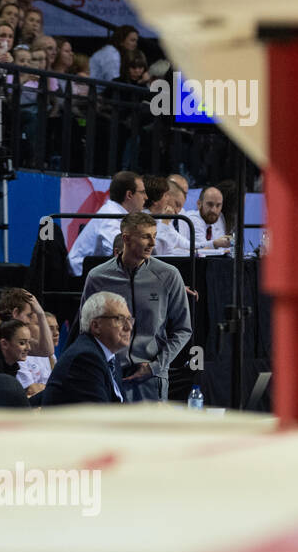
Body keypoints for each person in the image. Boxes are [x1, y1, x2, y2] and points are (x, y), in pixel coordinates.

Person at [77, 211, 192, 401]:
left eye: (154, 236)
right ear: (126, 239)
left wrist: (155, 366)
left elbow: (183, 329)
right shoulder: (98, 277)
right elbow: (86, 329)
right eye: (146, 237)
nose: (153, 244)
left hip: (151, 378)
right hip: (109, 377)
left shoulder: (169, 275)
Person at [40, 291, 130, 406]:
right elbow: (101, 416)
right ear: (96, 326)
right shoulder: (85, 358)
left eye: (129, 319)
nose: (129, 327)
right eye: (119, 319)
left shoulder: (110, 356)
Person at [67, 170, 146, 276]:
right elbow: (119, 251)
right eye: (142, 192)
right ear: (129, 195)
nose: (146, 197)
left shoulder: (115, 213)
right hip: (81, 277)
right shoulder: (110, 217)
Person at [0, 287, 56, 358]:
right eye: (28, 315)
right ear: (15, 313)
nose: (29, 322)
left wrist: (41, 314)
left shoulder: (13, 334)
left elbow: (47, 351)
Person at [16, 310, 58, 394]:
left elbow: (58, 386)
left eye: (57, 328)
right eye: (39, 325)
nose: (56, 333)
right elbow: (32, 390)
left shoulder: (51, 355)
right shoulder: (21, 353)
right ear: (27, 327)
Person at [186, 186, 233, 251]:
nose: (214, 210)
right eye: (210, 204)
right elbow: (200, 248)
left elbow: (225, 249)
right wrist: (216, 244)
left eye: (218, 205)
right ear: (199, 204)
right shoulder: (192, 219)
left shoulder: (219, 218)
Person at [0, 320, 35, 403]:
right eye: (22, 343)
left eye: (29, 342)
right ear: (4, 344)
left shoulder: (12, 366)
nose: (28, 348)